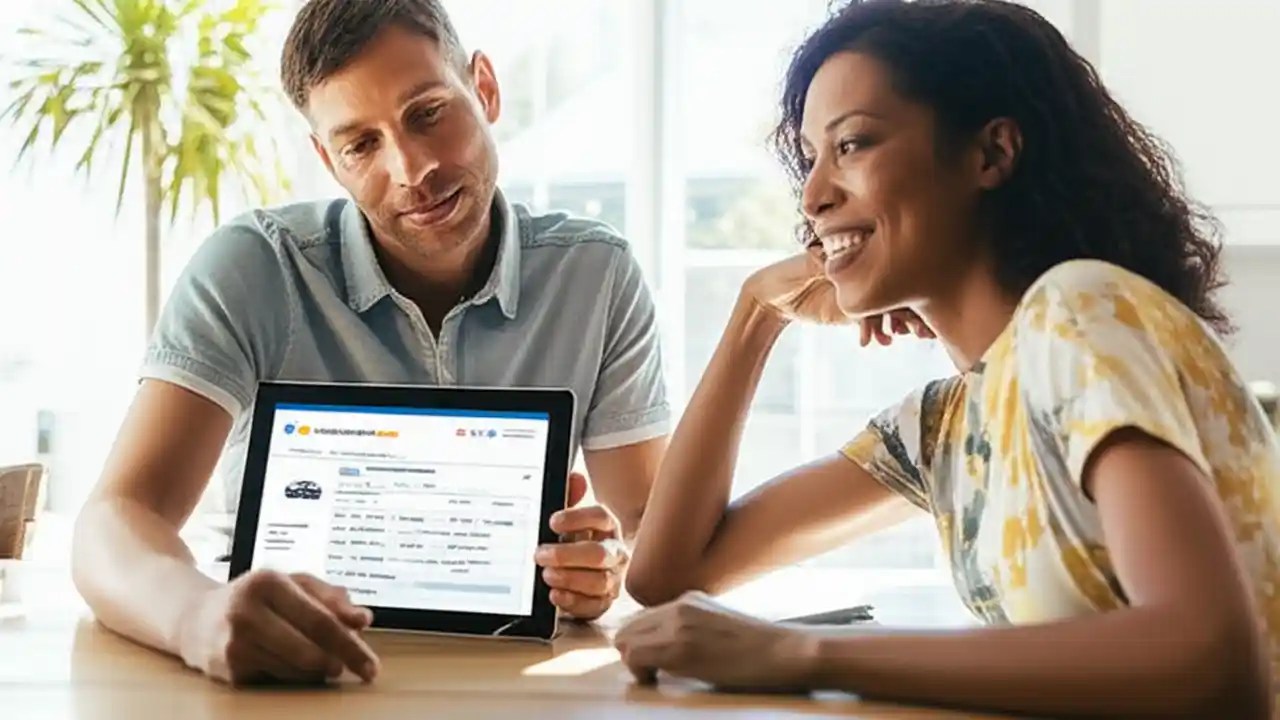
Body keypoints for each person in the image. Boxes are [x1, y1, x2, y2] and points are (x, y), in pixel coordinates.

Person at [616, 1, 1276, 717]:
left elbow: (1212, 657)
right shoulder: (949, 424)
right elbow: (668, 575)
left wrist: (800, 654)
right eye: (809, 159)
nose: (812, 197)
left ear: (990, 154)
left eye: (853, 145)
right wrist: (755, 314)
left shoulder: (1079, 311)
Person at [71, 0, 669, 687]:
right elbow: (115, 520)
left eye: (428, 113)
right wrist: (197, 617)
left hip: (511, 682)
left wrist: (604, 566)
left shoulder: (596, 275)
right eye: (361, 144)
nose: (412, 169)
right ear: (328, 160)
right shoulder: (254, 267)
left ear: (486, 88)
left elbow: (645, 526)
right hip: (289, 683)